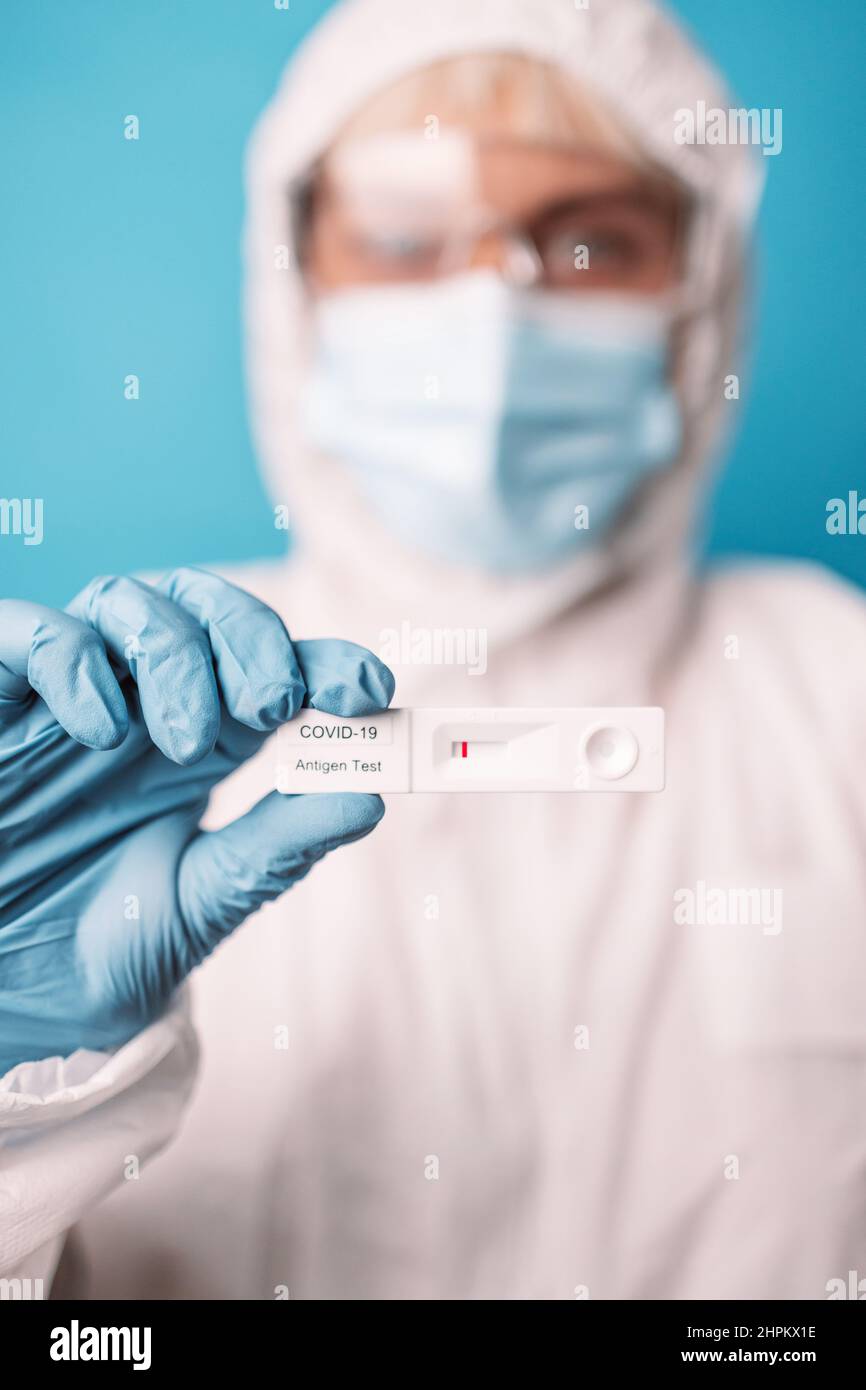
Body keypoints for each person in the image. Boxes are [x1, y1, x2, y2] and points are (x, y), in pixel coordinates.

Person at [2, 0, 866, 1301]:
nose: (492, 310)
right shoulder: (123, 723)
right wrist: (26, 1069)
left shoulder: (835, 688)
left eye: (588, 241)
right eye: (406, 238)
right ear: (294, 282)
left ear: (699, 290)